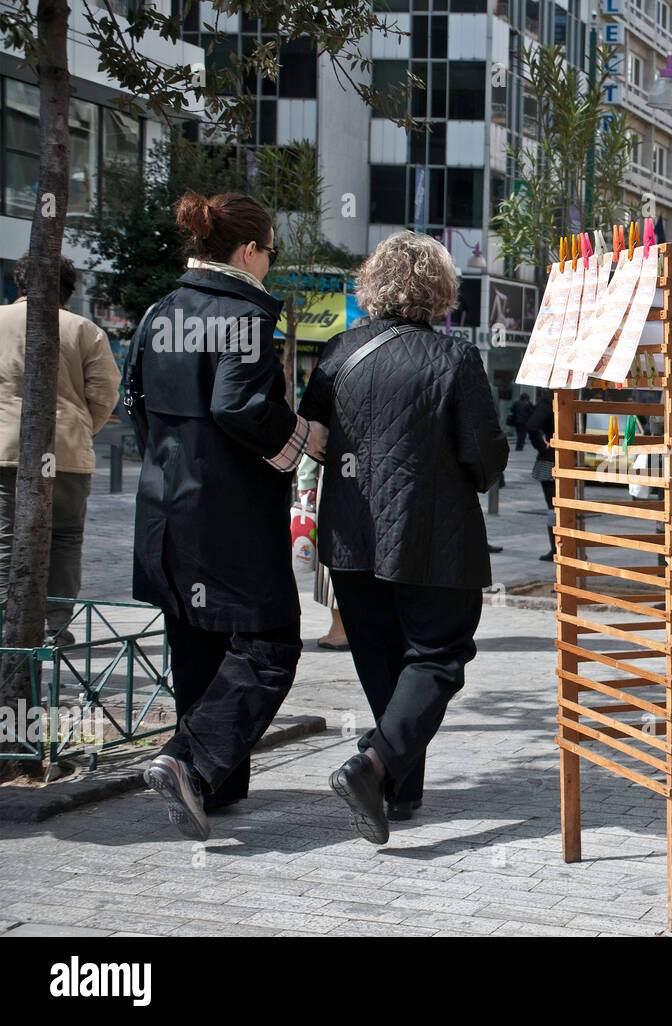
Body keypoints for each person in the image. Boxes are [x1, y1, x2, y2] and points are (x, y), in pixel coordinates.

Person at [125, 190, 327, 840]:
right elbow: (237, 405)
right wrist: (301, 437)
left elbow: (135, 401)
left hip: (166, 509)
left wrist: (172, 461)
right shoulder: (240, 314)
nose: (270, 262)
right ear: (247, 250)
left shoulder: (160, 311)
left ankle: (212, 785)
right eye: (270, 251)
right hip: (228, 518)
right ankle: (186, 762)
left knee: (199, 640)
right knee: (271, 647)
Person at [298, 231, 508, 842]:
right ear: (439, 291)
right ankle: (373, 764)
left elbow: (315, 437)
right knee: (439, 657)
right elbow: (486, 457)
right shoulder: (455, 359)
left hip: (351, 536)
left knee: (384, 661)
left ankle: (395, 787)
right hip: (432, 537)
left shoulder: (337, 353)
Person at [0, 254, 121, 643]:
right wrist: (81, 428)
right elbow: (104, 394)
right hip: (66, 452)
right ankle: (55, 625)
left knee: (5, 537)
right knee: (65, 538)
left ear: (20, 283)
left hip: (4, 449)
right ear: (70, 289)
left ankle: (7, 624)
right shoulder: (85, 330)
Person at [296, 456, 348, 650]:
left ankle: (340, 628)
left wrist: (306, 478)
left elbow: (317, 435)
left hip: (335, 472)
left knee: (335, 548)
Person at [526, 390, 556, 560]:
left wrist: (541, 445)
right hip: (564, 457)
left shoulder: (548, 400)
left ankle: (556, 548)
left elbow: (531, 425)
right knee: (560, 505)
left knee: (553, 506)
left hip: (550, 457)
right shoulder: (568, 399)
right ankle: (561, 548)